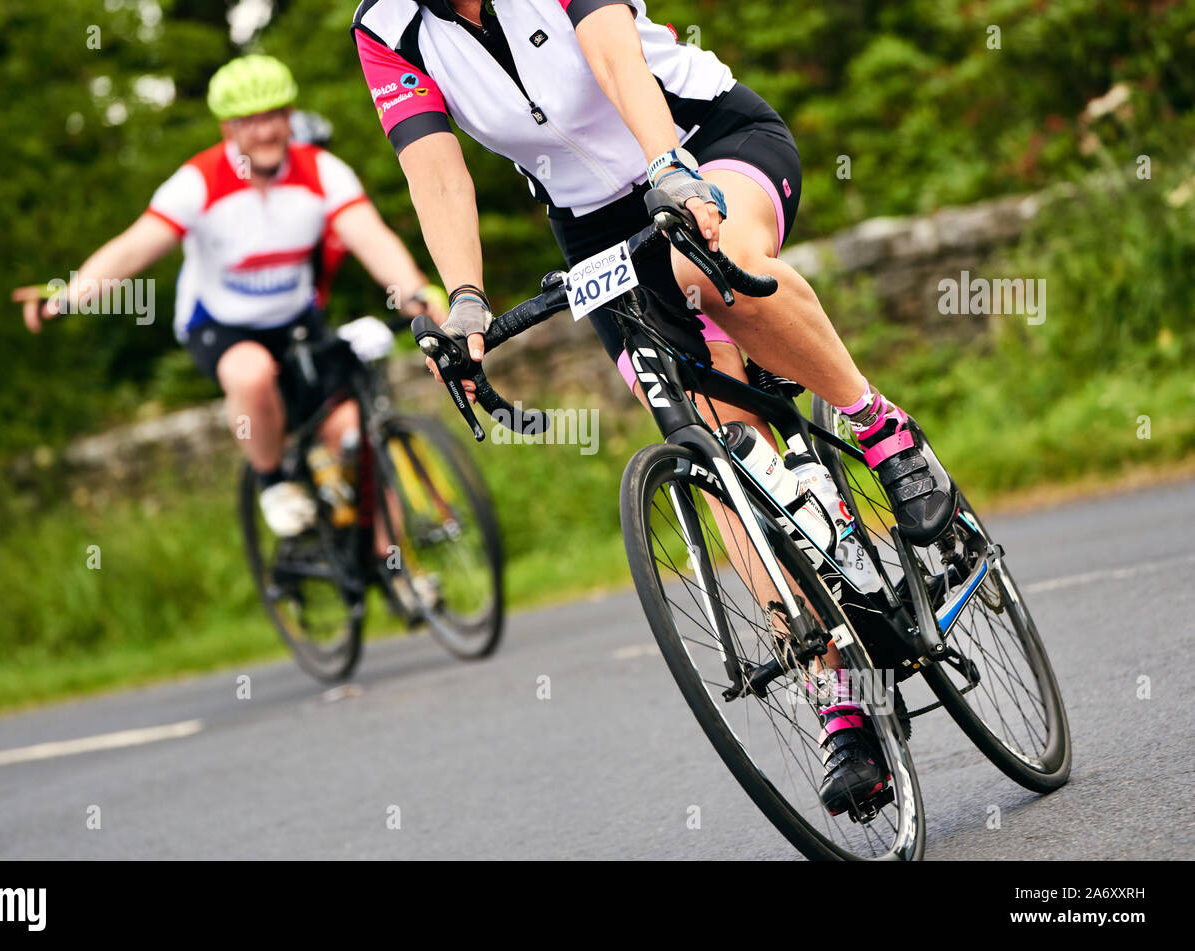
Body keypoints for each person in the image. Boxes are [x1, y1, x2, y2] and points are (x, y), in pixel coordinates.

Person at [351, 0, 958, 815]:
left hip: (703, 140)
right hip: (592, 224)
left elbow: (612, 57)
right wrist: (463, 301)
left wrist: (669, 163)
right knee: (721, 455)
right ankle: (838, 683)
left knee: (712, 272)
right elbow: (437, 172)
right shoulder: (387, 28)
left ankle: (881, 427)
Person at [14, 54, 446, 538]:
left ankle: (401, 576)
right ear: (228, 128)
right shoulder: (199, 181)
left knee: (352, 434)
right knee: (251, 372)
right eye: (250, 121)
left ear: (290, 117)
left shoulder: (322, 171)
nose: (265, 132)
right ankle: (273, 482)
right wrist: (71, 294)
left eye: (275, 116)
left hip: (296, 319)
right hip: (219, 323)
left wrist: (415, 292)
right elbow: (134, 248)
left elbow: (371, 237)